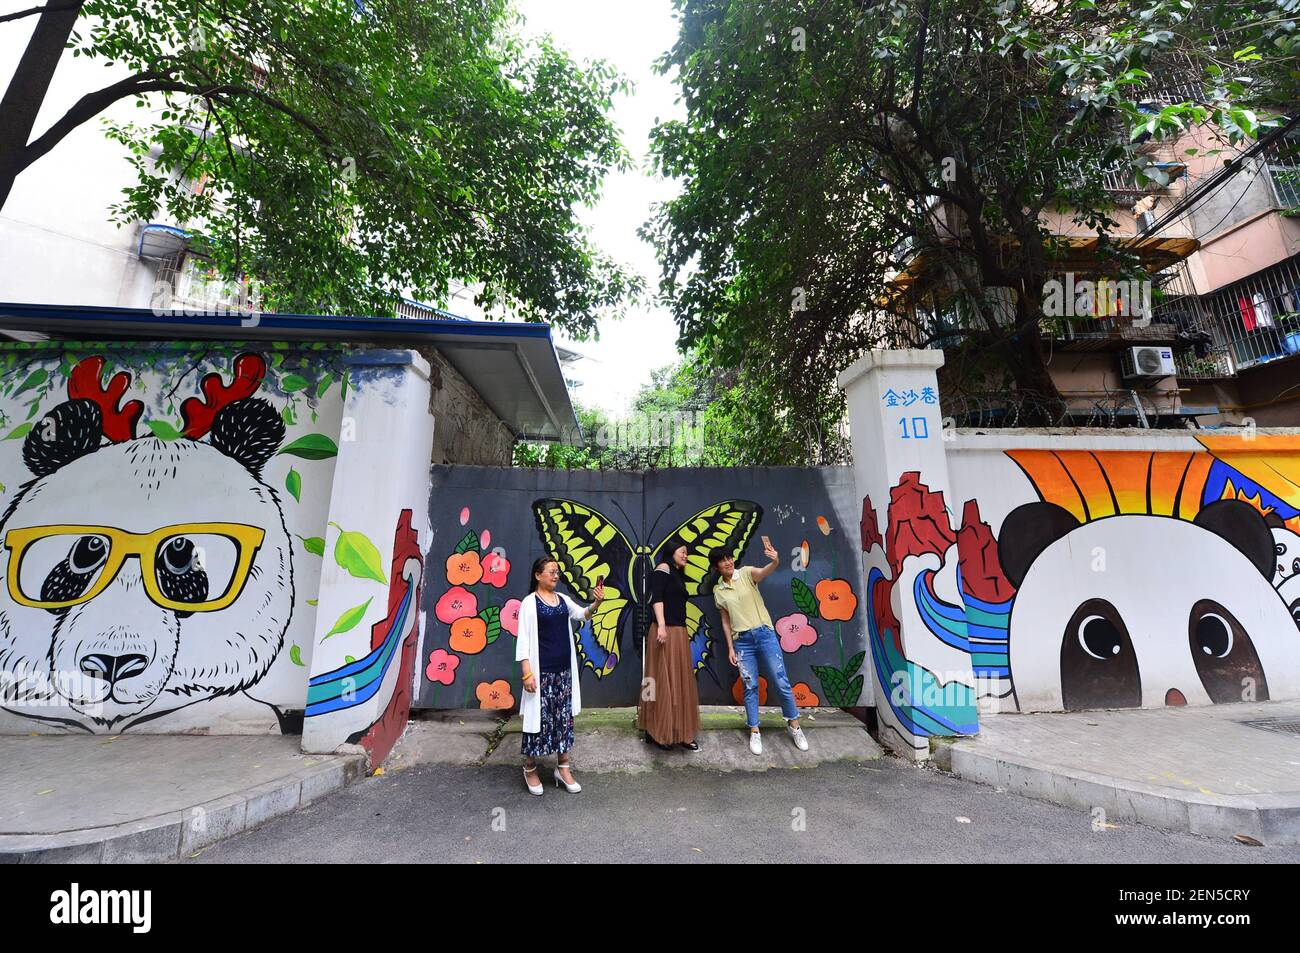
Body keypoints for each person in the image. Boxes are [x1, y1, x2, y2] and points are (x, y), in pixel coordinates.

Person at [711, 540, 810, 755]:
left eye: (729, 558)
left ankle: (795, 726)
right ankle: (755, 730)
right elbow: (725, 621)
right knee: (750, 685)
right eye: (722, 560)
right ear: (716, 567)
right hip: (742, 642)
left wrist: (775, 561)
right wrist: (730, 648)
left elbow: (763, 572)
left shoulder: (746, 574)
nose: (728, 562)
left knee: (780, 680)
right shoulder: (718, 590)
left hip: (765, 635)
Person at [516, 557, 604, 795]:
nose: (556, 576)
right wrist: (526, 673)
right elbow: (523, 640)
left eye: (557, 572)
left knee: (563, 721)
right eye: (551, 572)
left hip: (563, 673)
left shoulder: (563, 600)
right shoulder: (529, 603)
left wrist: (596, 602)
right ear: (537, 575)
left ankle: (563, 768)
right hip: (540, 674)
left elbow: (583, 614)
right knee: (538, 722)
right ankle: (530, 768)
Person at [637, 539, 701, 752]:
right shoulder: (662, 569)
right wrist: (662, 626)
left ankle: (679, 731)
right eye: (683, 552)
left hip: (679, 632)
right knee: (655, 679)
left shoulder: (676, 573)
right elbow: (657, 598)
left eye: (687, 553)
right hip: (665, 631)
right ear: (671, 551)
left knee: (678, 681)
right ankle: (654, 729)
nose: (686, 556)